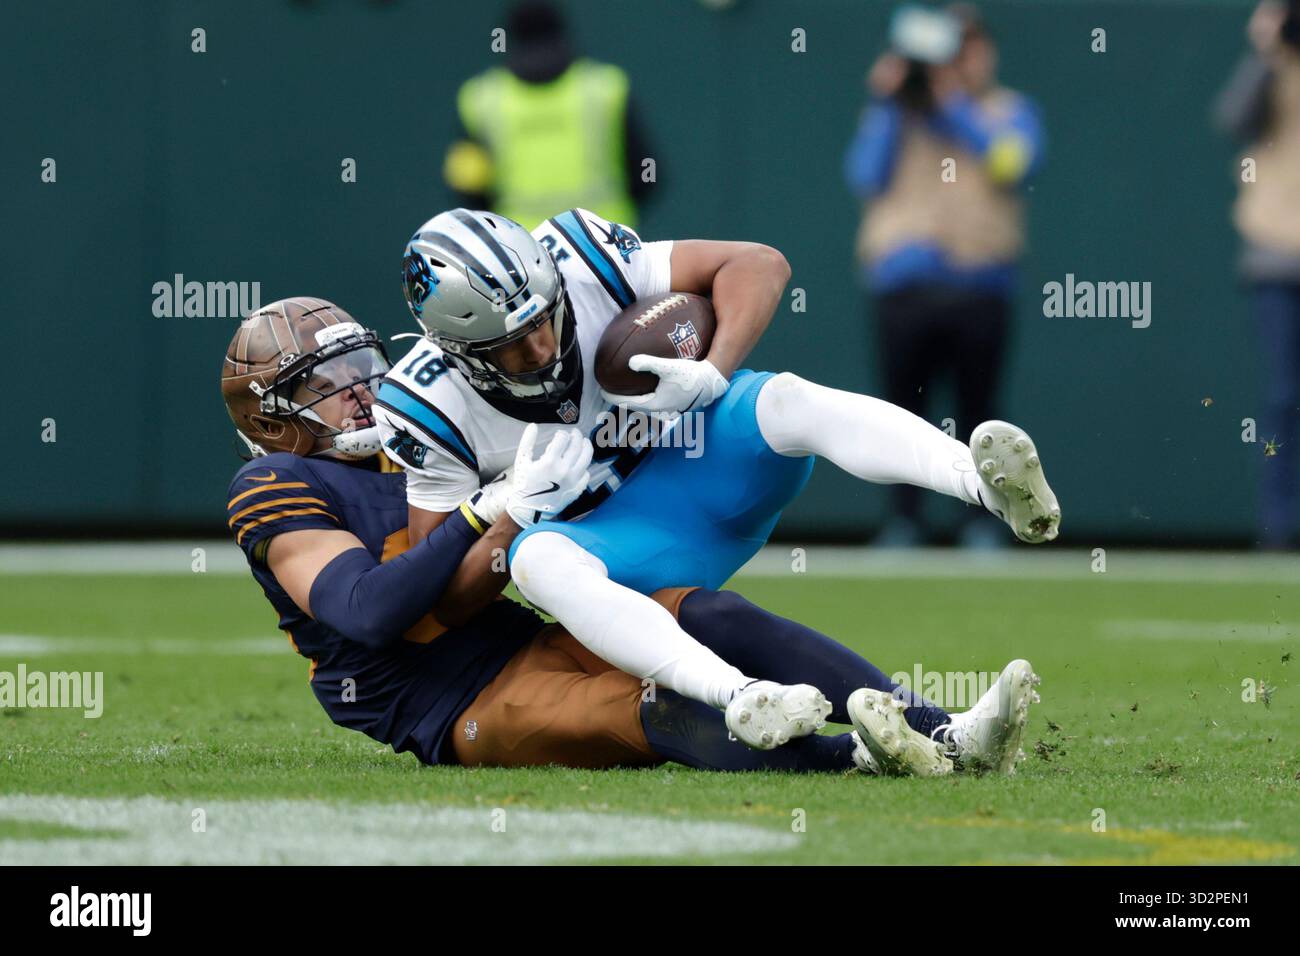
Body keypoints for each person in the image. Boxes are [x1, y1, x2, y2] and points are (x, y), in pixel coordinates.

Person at [220, 297, 1034, 777]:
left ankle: (940, 730)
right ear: (270, 414)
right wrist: (488, 511)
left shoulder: (420, 439)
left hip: (525, 632)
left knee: (711, 616)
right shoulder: (273, 484)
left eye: (363, 367)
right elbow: (366, 612)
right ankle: (857, 758)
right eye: (326, 386)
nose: (361, 394)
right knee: (653, 709)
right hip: (448, 700)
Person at [374, 207, 1055, 772]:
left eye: (543, 322)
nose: (543, 352)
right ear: (456, 353)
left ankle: (983, 485)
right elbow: (443, 602)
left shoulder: (579, 258)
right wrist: (508, 514)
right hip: (620, 541)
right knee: (535, 560)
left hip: (702, 462)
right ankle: (742, 696)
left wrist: (713, 370)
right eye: (511, 348)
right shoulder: (428, 408)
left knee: (786, 400)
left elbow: (760, 264)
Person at [844, 3, 1045, 547]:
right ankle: (904, 522)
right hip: (904, 285)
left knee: (981, 417)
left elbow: (1013, 165)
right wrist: (890, 102)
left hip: (980, 284)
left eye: (967, 48)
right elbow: (864, 174)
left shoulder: (1010, 111)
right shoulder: (894, 113)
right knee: (900, 414)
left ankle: (984, 523)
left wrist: (951, 103)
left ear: (986, 53)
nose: (955, 60)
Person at [443, 0, 653, 228]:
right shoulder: (607, 88)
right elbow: (647, 173)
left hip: (520, 244)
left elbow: (467, 185)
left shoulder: (480, 99)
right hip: (605, 244)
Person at [1214, 0, 1300, 549]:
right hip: (1278, 259)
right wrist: (1266, 50)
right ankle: (1280, 527)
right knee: (1284, 397)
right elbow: (1231, 119)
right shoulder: (1272, 71)